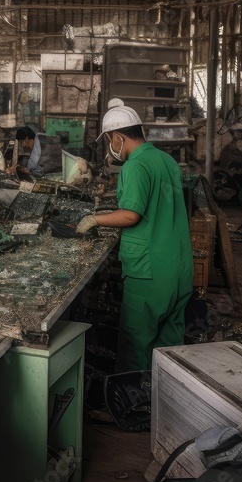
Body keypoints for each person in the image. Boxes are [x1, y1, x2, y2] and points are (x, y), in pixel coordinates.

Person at [76, 106, 193, 373]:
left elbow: (131, 215)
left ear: (117, 137)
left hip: (148, 274)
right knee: (169, 347)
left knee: (134, 345)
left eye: (109, 140)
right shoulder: (166, 160)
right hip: (178, 268)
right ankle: (164, 402)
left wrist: (95, 219)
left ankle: (132, 408)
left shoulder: (134, 166)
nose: (111, 146)